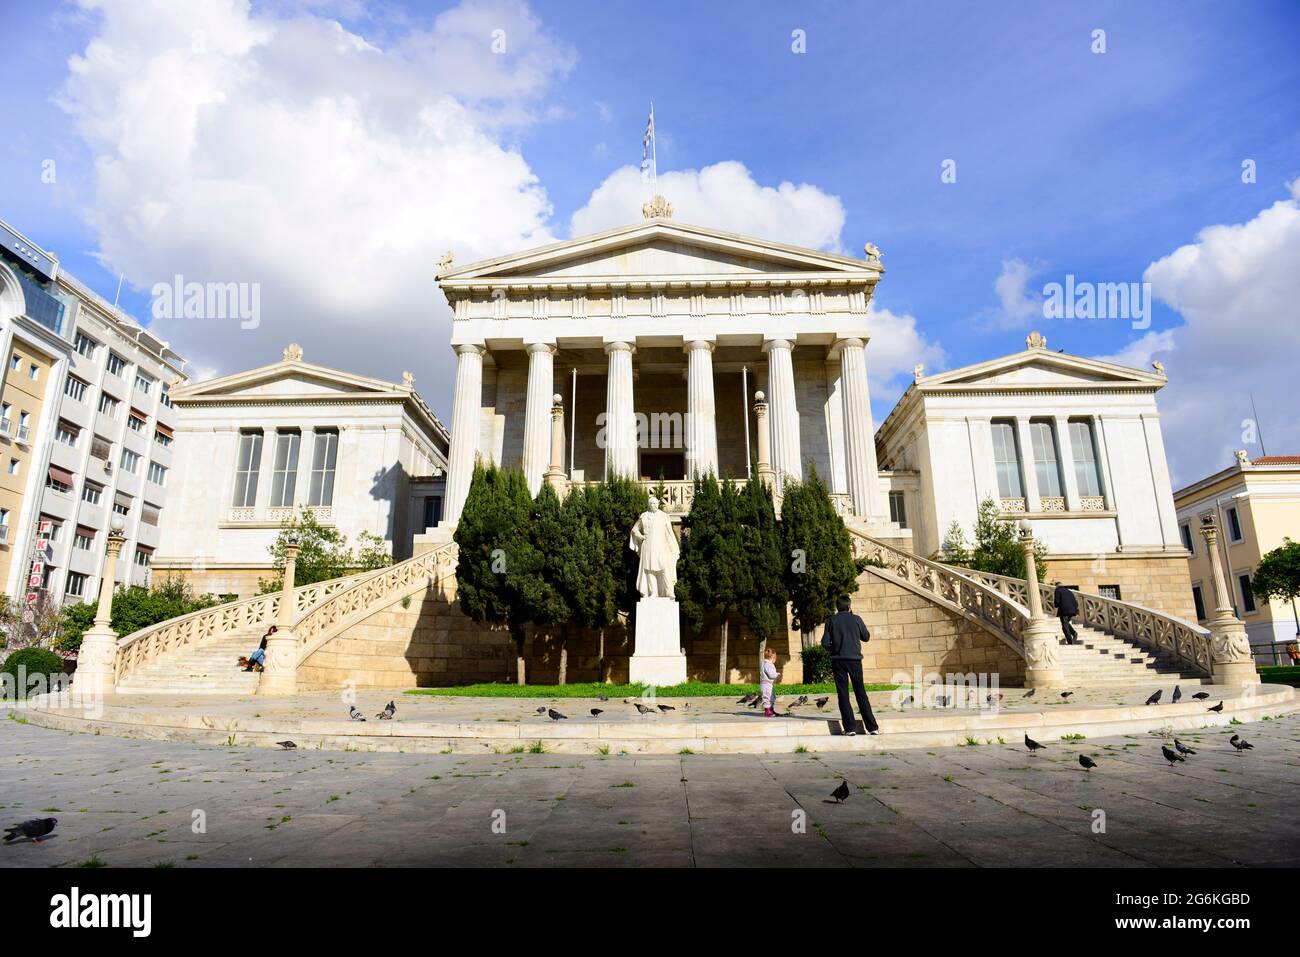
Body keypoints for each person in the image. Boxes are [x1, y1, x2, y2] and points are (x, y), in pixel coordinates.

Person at [820, 595, 879, 736]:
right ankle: (872, 727)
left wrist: (834, 649)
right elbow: (866, 637)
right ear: (849, 606)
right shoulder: (856, 619)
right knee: (860, 692)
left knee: (843, 694)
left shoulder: (831, 621)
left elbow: (824, 643)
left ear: (837, 607)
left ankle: (850, 728)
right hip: (855, 661)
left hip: (838, 661)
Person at [759, 646, 781, 717]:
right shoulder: (768, 664)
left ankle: (771, 709)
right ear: (773, 658)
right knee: (767, 697)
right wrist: (776, 674)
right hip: (766, 685)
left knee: (772, 697)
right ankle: (767, 711)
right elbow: (771, 675)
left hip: (768, 684)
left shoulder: (765, 664)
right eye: (775, 658)